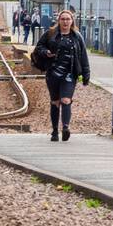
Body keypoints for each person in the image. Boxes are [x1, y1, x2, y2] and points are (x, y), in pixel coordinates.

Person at [34, 9, 91, 142]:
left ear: (72, 21)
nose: (65, 21)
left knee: (66, 100)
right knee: (55, 102)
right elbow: (38, 47)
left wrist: (86, 74)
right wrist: (45, 52)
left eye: (68, 19)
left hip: (70, 74)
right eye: (63, 19)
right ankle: (54, 130)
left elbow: (83, 56)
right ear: (58, 21)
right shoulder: (50, 34)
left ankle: (65, 127)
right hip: (53, 72)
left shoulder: (77, 37)